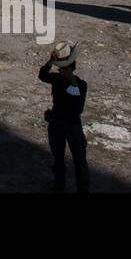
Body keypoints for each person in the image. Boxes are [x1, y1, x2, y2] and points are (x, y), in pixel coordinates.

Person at [38, 41, 90, 192]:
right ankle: (59, 185)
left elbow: (78, 107)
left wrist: (72, 81)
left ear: (71, 69)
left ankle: (82, 188)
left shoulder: (80, 85)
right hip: (58, 123)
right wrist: (51, 61)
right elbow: (42, 75)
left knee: (79, 160)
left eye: (63, 69)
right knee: (58, 158)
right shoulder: (57, 79)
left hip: (72, 125)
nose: (61, 72)